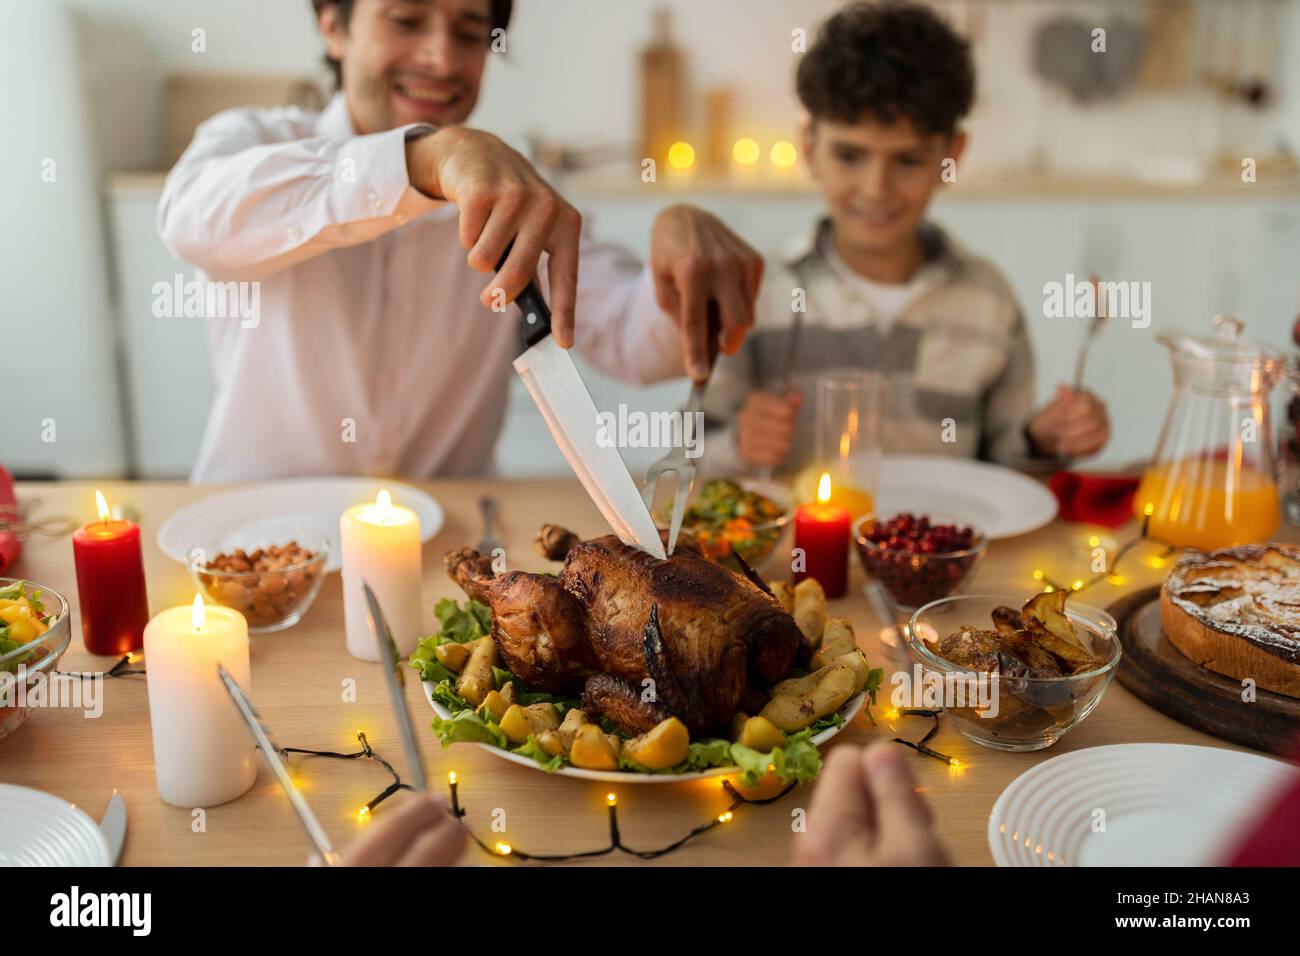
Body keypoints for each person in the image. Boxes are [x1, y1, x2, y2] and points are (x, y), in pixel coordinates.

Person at [159, 0, 762, 482]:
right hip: (250, 545)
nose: (442, 58)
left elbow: (634, 341)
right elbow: (192, 221)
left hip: (453, 551)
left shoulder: (515, 196)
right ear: (332, 26)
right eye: (406, 18)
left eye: (470, 32)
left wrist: (678, 255)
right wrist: (423, 159)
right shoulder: (253, 142)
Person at [702, 1, 1110, 475]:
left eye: (909, 161)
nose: (876, 189)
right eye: (850, 156)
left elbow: (1004, 468)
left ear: (951, 156)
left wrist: (1041, 439)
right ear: (809, 147)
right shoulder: (753, 294)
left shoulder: (989, 300)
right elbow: (685, 459)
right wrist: (737, 444)